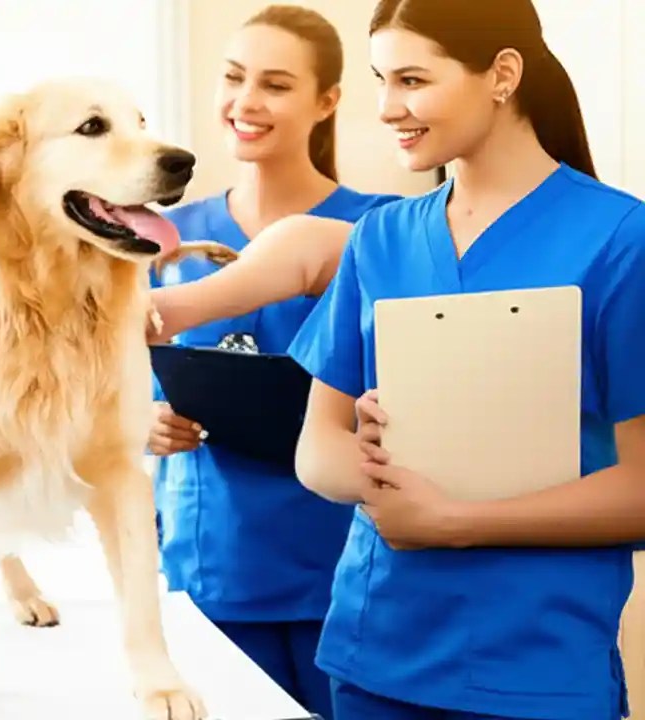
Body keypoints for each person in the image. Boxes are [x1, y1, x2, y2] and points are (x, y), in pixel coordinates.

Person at [281, 1, 645, 718]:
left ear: (503, 74)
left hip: (536, 672)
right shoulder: (378, 239)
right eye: (381, 80)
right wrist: (382, 462)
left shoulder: (621, 241)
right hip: (373, 657)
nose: (387, 108)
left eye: (412, 79)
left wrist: (456, 520)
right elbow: (315, 450)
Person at [147, 6, 399, 717]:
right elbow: (108, 392)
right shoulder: (165, 236)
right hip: (210, 567)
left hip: (345, 566)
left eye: (276, 84)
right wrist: (146, 423)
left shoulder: (382, 231)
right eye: (234, 77)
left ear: (327, 102)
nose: (246, 101)